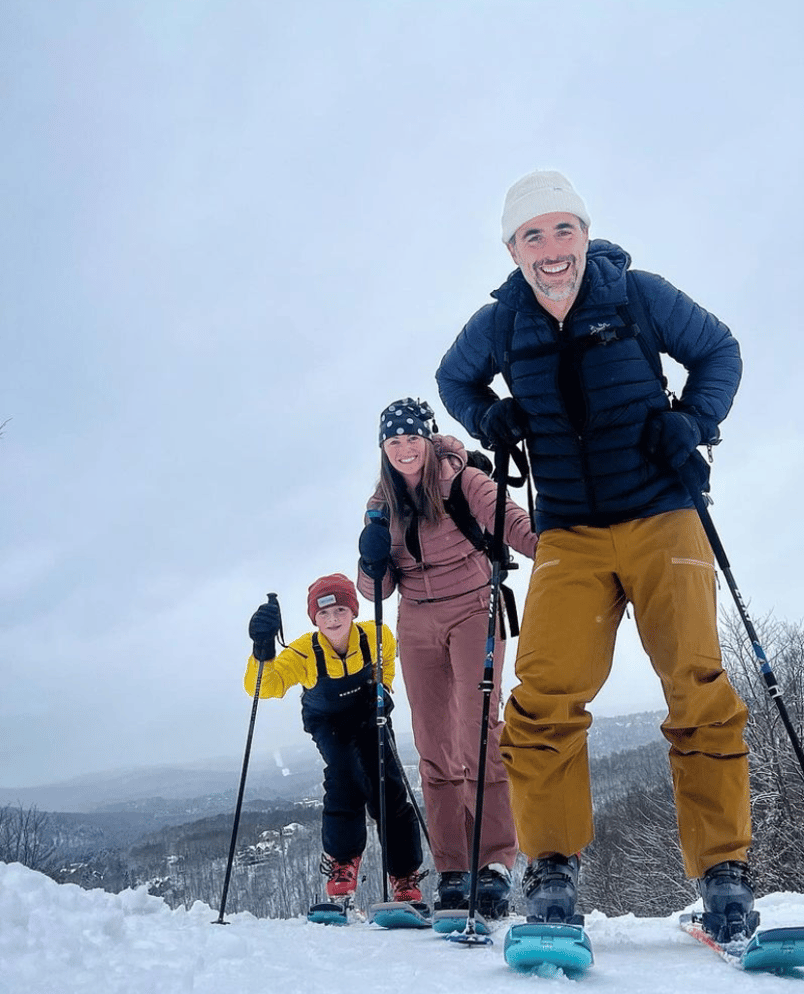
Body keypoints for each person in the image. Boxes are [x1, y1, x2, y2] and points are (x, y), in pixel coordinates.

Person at [435, 170, 756, 942]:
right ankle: (550, 869)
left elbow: (718, 351)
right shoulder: (502, 320)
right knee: (543, 700)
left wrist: (694, 421)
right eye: (531, 236)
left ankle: (724, 874)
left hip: (663, 514)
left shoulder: (637, 293)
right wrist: (491, 414)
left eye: (562, 230)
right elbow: (454, 379)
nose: (550, 250)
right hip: (569, 534)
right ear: (513, 250)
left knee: (698, 686)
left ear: (584, 234)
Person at [356, 397, 537, 920]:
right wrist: (370, 559)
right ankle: (454, 869)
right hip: (415, 620)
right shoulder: (380, 505)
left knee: (477, 734)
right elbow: (378, 589)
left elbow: (515, 525)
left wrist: (564, 548)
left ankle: (496, 863)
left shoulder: (463, 481)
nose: (404, 449)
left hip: (473, 609)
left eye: (412, 438)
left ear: (428, 439)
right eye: (394, 442)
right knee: (433, 746)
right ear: (384, 451)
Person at [246, 574, 424, 911]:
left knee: (387, 783)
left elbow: (385, 664)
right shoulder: (304, 652)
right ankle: (342, 863)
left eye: (340, 609)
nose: (333, 619)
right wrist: (262, 649)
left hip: (369, 712)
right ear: (314, 618)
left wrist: (383, 690)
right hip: (328, 722)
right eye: (324, 614)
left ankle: (404, 874)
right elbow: (263, 687)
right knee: (344, 777)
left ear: (353, 611)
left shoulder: (376, 634)